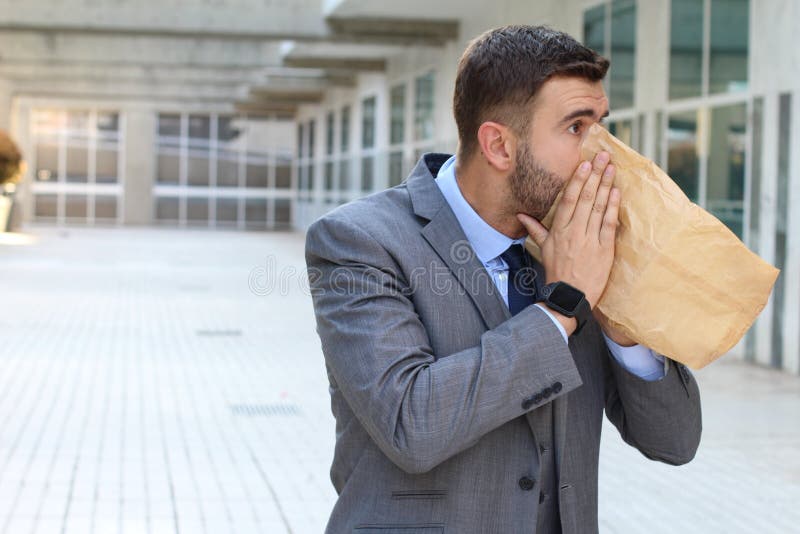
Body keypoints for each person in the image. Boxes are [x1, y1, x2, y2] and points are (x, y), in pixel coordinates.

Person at [305, 25, 701, 534]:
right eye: (578, 128)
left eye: (604, 125)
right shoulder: (358, 241)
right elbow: (411, 424)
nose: (603, 155)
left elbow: (675, 441)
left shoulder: (581, 250)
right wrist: (561, 307)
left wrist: (616, 317)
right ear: (498, 146)